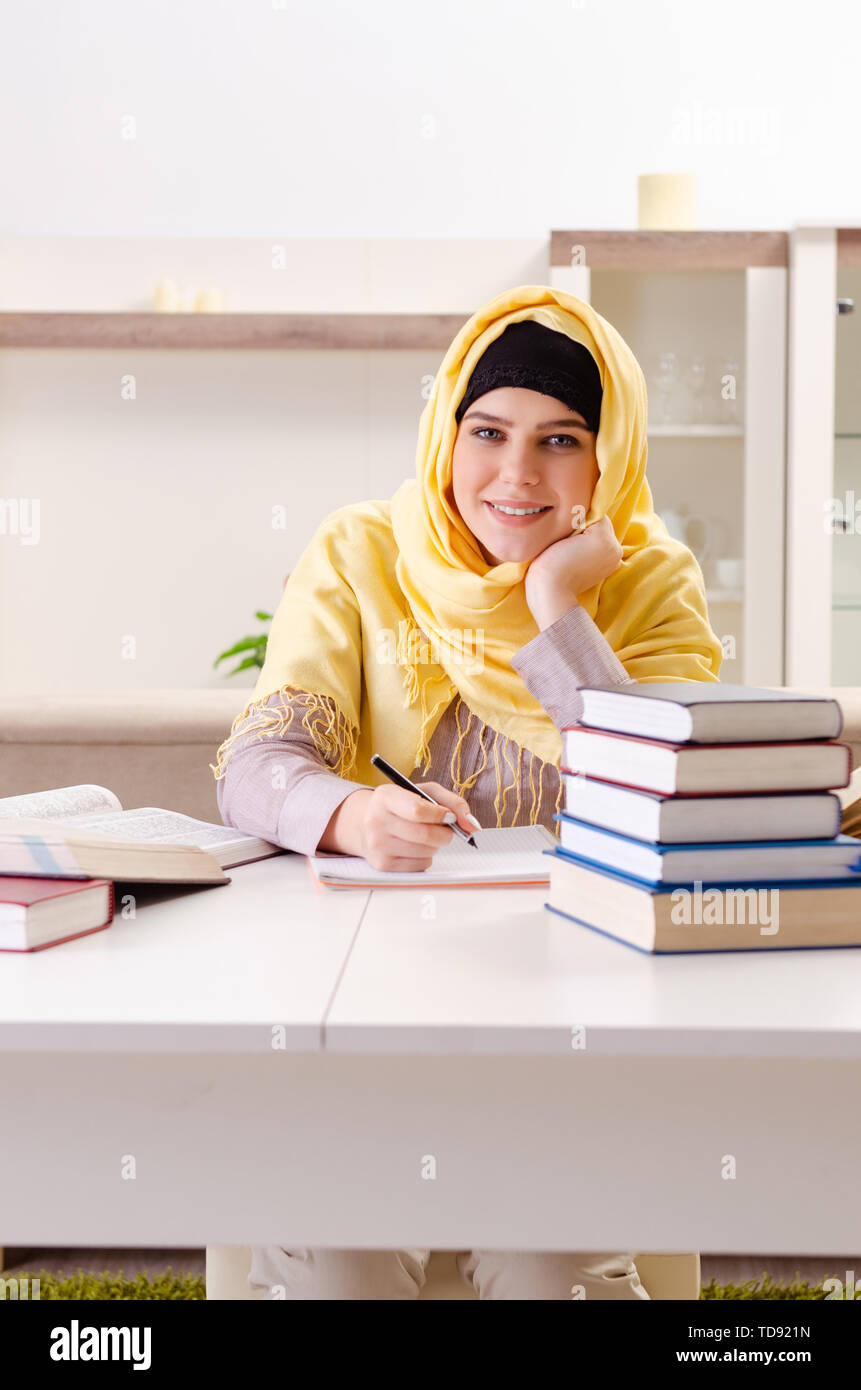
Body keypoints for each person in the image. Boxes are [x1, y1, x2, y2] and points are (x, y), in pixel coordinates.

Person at [211, 284, 723, 1299]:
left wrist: (552, 605)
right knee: (339, 1266)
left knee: (552, 1271)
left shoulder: (651, 579)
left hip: (576, 1027)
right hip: (361, 1019)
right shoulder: (362, 554)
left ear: (609, 454)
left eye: (562, 439)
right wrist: (353, 814)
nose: (516, 474)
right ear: (446, 431)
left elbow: (670, 795)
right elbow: (254, 768)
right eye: (487, 431)